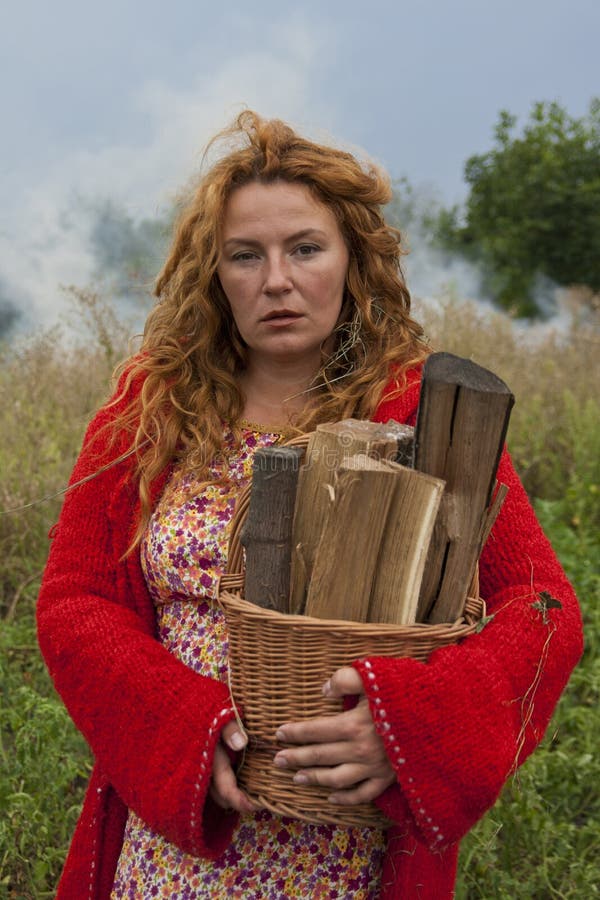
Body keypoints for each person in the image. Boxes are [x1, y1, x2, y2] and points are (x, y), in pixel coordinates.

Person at [37, 110, 583, 900]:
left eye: (305, 248)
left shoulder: (421, 412)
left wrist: (411, 729)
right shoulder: (149, 409)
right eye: (245, 255)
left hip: (349, 856)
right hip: (175, 845)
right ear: (214, 274)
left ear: (353, 258)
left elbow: (542, 607)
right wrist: (183, 729)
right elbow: (75, 602)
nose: (276, 281)